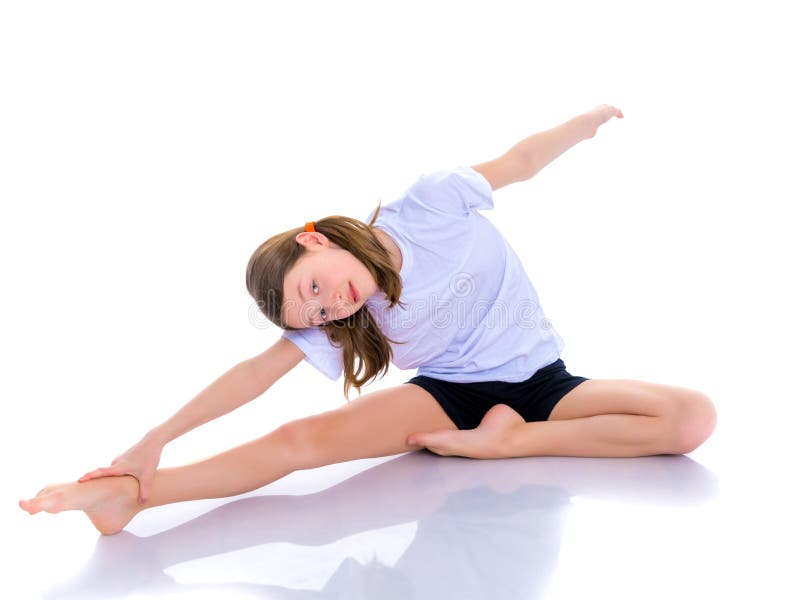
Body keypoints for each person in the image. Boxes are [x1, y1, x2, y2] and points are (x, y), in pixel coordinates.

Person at [18, 104, 717, 536]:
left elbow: (520, 161)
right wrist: (154, 440)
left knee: (688, 419)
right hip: (451, 396)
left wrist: (582, 126)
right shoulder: (346, 315)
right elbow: (255, 375)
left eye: (315, 288)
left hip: (543, 382)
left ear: (314, 237)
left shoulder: (431, 204)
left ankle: (514, 443)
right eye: (317, 311)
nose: (332, 307)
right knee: (299, 438)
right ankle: (131, 501)